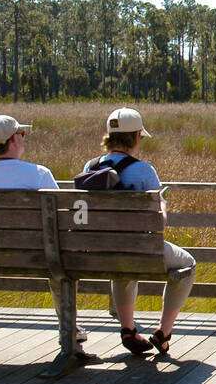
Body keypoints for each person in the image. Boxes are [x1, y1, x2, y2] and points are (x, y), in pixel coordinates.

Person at [0, 114, 93, 363]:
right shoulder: (38, 175)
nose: (23, 138)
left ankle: (72, 335)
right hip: (38, 258)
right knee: (60, 269)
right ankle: (70, 337)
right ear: (13, 141)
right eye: (21, 134)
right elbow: (63, 221)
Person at [80, 107, 196, 356]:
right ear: (135, 137)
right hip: (138, 249)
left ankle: (128, 329)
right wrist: (163, 205)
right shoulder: (144, 171)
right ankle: (163, 333)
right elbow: (159, 223)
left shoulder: (89, 168)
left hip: (96, 252)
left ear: (109, 137)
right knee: (188, 265)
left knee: (122, 263)